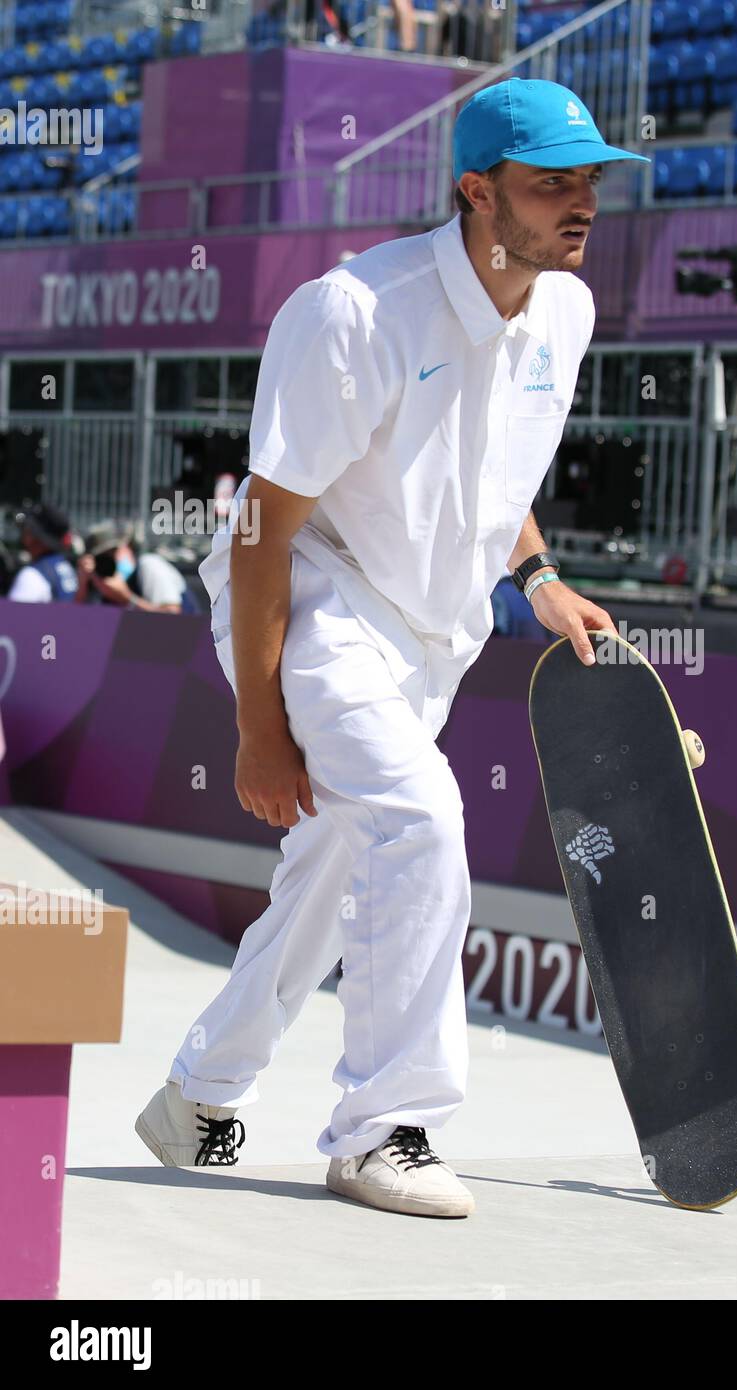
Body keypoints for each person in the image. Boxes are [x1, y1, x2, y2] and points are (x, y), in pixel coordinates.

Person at [134, 79, 649, 1219]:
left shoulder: (562, 310)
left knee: (328, 874)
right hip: (310, 599)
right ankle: (386, 1128)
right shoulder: (352, 313)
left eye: (588, 183)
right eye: (548, 184)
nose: (579, 207)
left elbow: (492, 470)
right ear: (476, 190)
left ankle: (198, 1095)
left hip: (431, 631)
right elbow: (267, 526)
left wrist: (541, 577)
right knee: (421, 818)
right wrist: (260, 727)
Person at [78, 523, 195, 614]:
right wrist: (83, 585)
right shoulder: (97, 581)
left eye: (113, 552)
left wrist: (127, 599)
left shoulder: (150, 566)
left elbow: (174, 619)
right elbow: (73, 626)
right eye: (102, 558)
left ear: (127, 548)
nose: (109, 561)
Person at [6, 503, 78, 603]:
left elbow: (10, 617)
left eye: (27, 530)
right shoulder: (66, 567)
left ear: (36, 537)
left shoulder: (31, 576)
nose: (23, 536)